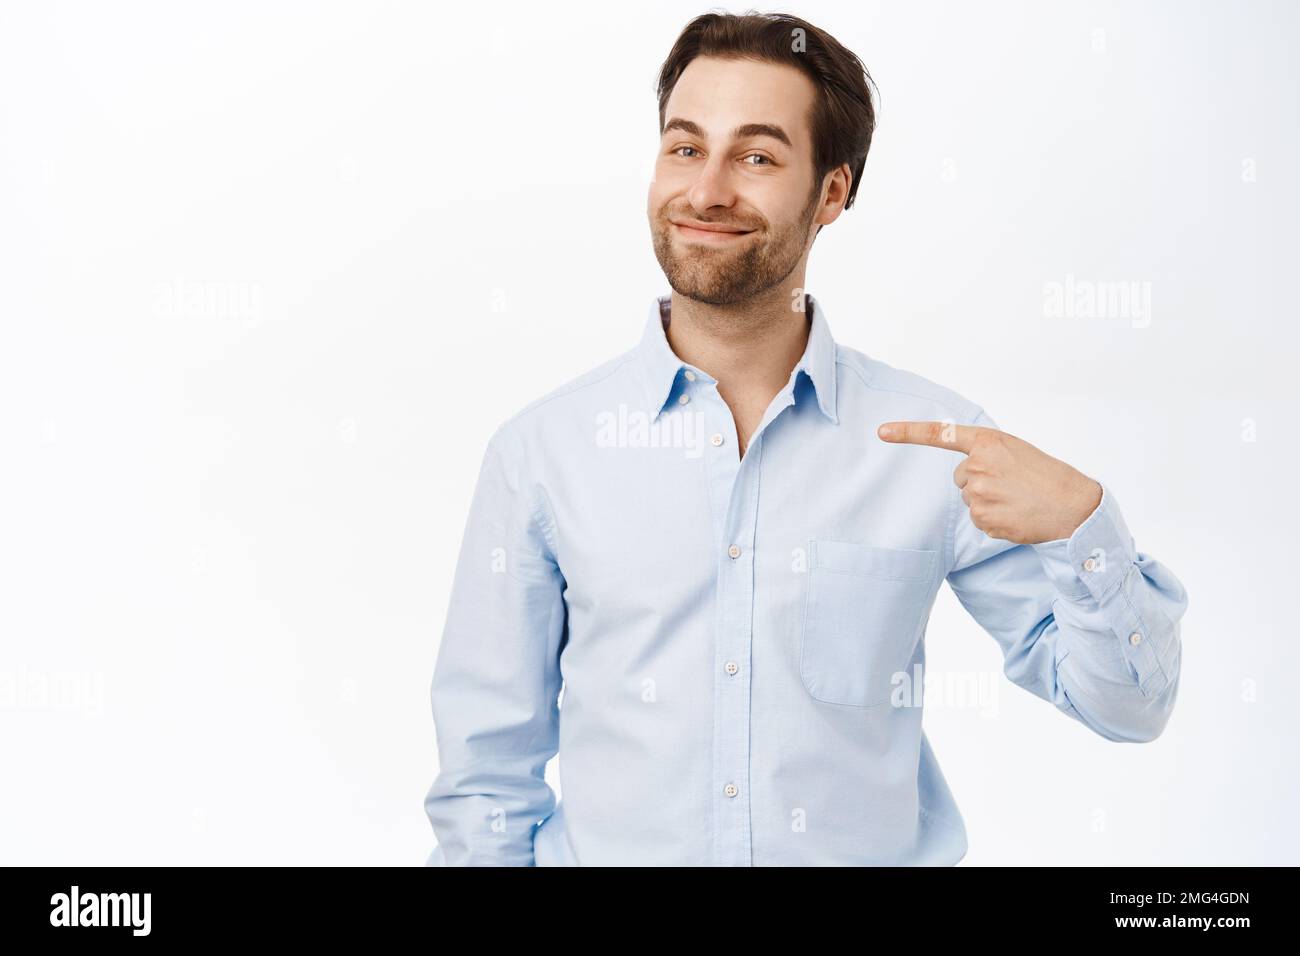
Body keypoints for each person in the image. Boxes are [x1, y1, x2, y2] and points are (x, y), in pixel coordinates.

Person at [422, 11, 1188, 866]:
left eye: (756, 157)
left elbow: (1129, 708)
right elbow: (486, 783)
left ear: (831, 192)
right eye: (684, 147)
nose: (707, 190)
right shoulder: (543, 454)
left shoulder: (932, 446)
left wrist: (1081, 525)